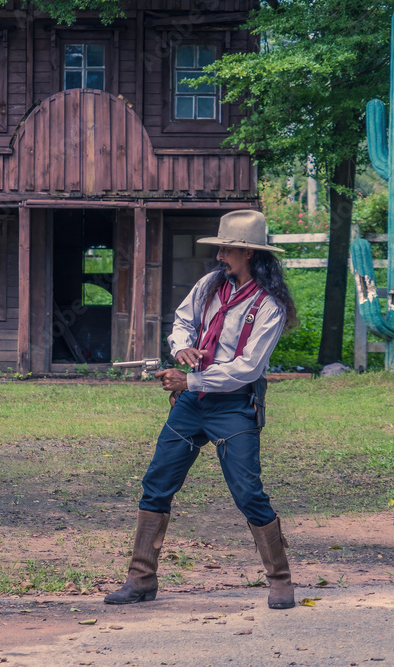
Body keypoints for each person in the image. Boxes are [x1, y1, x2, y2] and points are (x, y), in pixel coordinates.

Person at [104, 209, 299, 610]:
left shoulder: (269, 307)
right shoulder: (211, 285)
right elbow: (182, 320)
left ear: (248, 253)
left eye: (227, 249)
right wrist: (182, 349)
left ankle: (280, 580)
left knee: (248, 492)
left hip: (233, 406)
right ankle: (140, 580)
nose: (219, 256)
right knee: (157, 483)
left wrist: (188, 380)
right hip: (193, 403)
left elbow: (248, 368)